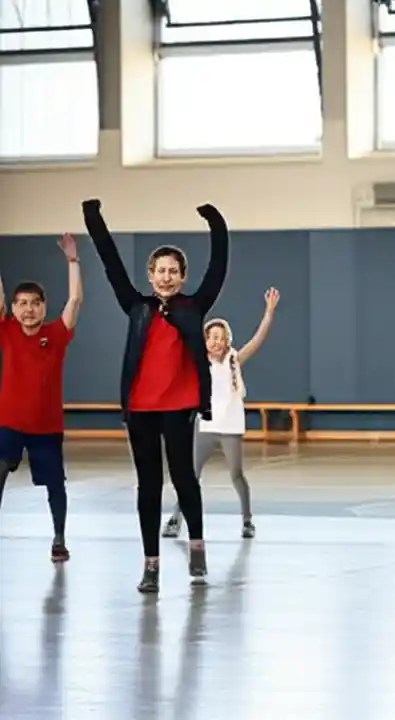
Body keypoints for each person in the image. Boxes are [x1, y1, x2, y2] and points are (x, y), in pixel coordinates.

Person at [82, 198, 229, 593]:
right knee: (148, 485)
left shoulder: (193, 307)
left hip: (178, 407)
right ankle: (151, 564)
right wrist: (93, 217)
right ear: (150, 275)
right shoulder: (137, 307)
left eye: (173, 271)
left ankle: (197, 545)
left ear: (182, 276)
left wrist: (215, 223)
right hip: (142, 407)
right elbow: (111, 262)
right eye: (160, 270)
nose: (166, 277)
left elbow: (218, 268)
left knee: (184, 479)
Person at [163, 288, 280, 541]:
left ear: (227, 341)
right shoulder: (197, 362)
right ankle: (176, 518)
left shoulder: (234, 360)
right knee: (190, 475)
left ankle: (247, 521)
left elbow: (257, 340)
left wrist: (268, 314)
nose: (215, 341)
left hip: (230, 428)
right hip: (205, 427)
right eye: (211, 337)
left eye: (220, 337)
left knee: (236, 474)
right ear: (205, 341)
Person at [0, 233, 83, 562]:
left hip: (46, 427)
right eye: (22, 303)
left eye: (35, 303)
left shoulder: (56, 334)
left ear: (44, 306)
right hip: (9, 422)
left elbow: (74, 301)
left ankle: (59, 538)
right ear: (14, 308)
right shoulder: (6, 330)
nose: (28, 309)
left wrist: (72, 261)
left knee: (55, 486)